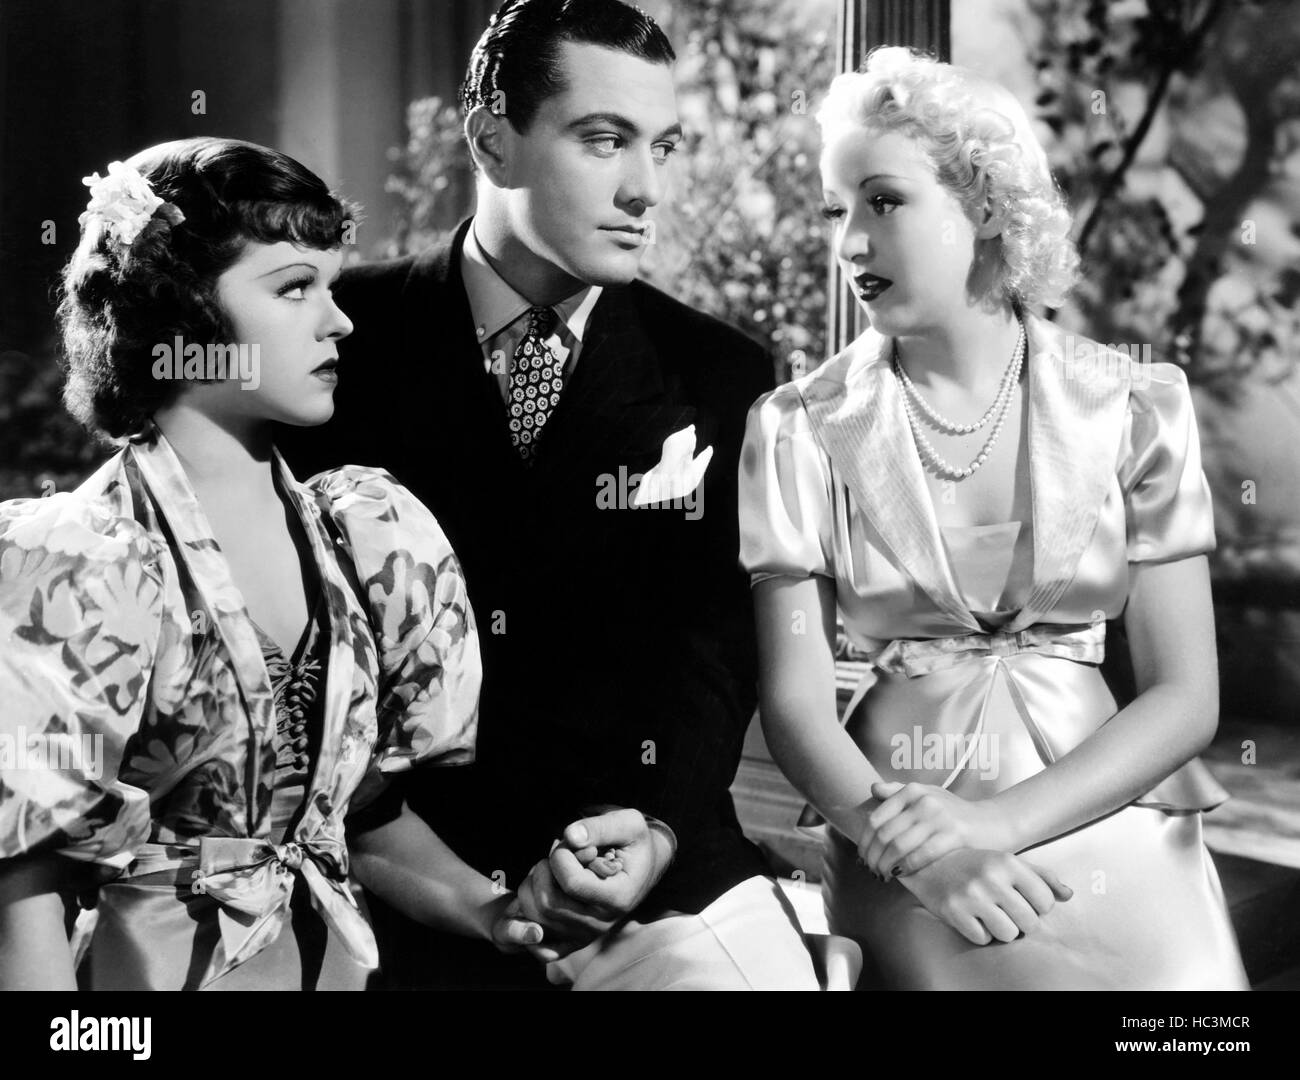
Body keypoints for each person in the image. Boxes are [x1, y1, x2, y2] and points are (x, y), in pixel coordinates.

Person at [278, 0, 820, 990]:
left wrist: (653, 827)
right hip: (387, 893)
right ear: (493, 140)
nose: (646, 188)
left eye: (664, 146)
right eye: (604, 141)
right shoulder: (331, 337)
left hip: (652, 882)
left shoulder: (719, 374)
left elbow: (713, 654)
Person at [739, 47, 1249, 990]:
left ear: (980, 204)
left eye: (882, 202)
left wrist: (997, 827)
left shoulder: (1134, 404)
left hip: (1108, 820)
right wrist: (926, 853)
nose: (848, 241)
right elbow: (798, 706)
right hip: (896, 826)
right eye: (834, 211)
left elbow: (1188, 698)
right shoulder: (798, 430)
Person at [0, 137, 545, 990]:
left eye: (330, 284)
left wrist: (493, 912)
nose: (340, 320)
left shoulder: (364, 535)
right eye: (294, 288)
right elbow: (20, 909)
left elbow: (356, 821)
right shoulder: (77, 566)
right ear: (182, 315)